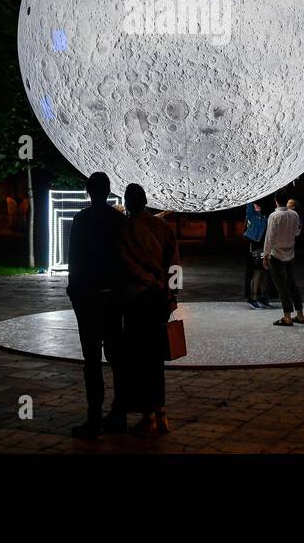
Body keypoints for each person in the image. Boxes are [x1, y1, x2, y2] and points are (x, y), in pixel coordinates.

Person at [116, 182, 179, 436]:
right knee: (156, 358)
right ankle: (162, 413)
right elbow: (175, 265)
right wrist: (173, 295)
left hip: (136, 300)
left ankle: (148, 416)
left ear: (128, 203)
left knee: (140, 359)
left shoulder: (124, 229)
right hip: (159, 299)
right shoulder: (162, 227)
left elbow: (122, 263)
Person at [66, 172, 125, 438]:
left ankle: (94, 417)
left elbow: (74, 257)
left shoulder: (81, 219)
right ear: (109, 190)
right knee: (117, 358)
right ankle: (119, 413)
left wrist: (74, 289)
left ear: (89, 191)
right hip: (113, 295)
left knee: (91, 359)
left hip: (88, 295)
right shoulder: (118, 220)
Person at [263, 191, 304, 326]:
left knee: (282, 287)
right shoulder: (294, 214)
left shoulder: (274, 216)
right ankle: (300, 315)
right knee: (292, 285)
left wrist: (265, 255)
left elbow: (269, 238)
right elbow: (297, 232)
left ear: (276, 201)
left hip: (276, 255)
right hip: (290, 253)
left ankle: (287, 317)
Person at [243, 199, 271, 308]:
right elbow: (249, 205)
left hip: (263, 245)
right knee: (258, 271)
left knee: (264, 272)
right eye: (255, 206)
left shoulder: (264, 218)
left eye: (258, 206)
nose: (257, 207)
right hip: (256, 246)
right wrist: (251, 201)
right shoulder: (252, 216)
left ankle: (263, 297)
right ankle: (253, 298)